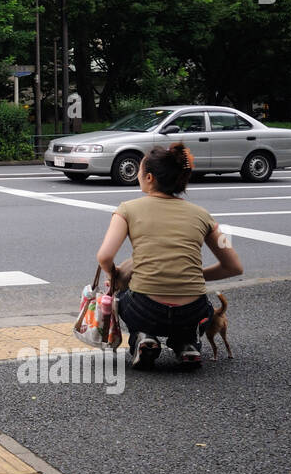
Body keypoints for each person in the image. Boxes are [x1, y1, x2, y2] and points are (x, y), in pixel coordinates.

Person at [95, 143, 243, 368]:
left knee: (124, 287)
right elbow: (234, 267)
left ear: (150, 178)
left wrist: (114, 276)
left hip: (145, 310)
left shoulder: (127, 209)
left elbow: (105, 257)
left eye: (140, 170)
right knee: (192, 314)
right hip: (193, 312)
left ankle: (143, 338)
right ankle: (188, 344)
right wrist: (193, 275)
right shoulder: (204, 216)